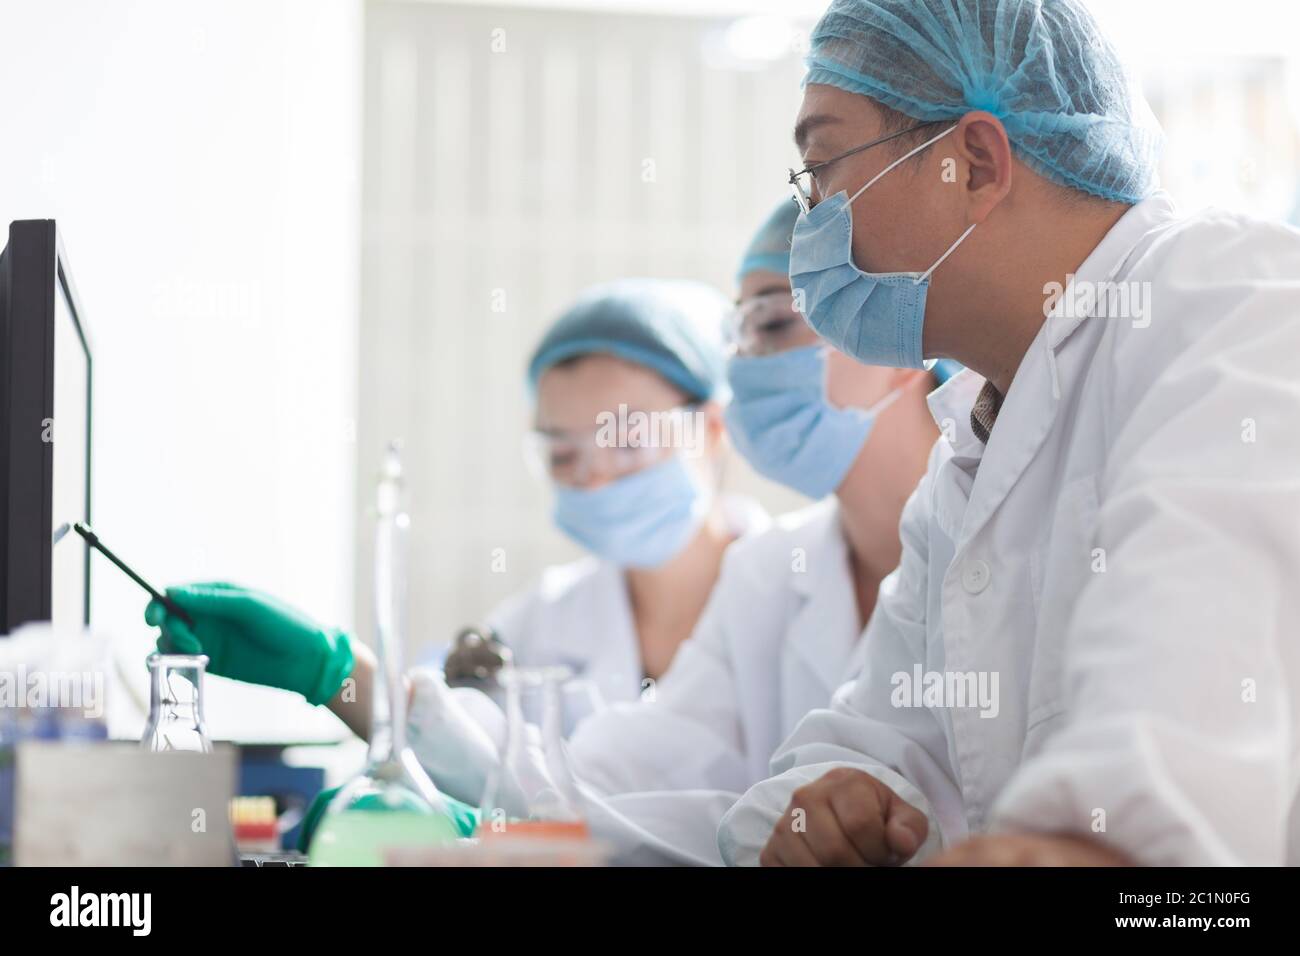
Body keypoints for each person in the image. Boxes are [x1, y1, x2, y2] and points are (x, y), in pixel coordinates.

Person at [718, 0, 1300, 867]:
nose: (811, 223)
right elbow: (877, 738)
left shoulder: (1224, 297)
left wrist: (1093, 840)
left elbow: (1204, 624)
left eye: (823, 166)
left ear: (976, 164)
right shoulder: (965, 468)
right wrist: (829, 805)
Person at [397, 199, 954, 864]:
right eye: (739, 334)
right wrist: (368, 692)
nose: (746, 367)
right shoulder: (769, 574)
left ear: (902, 327)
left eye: (774, 323)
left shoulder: (1007, 540)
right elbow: (621, 791)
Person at [144, 278, 765, 745]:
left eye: (627, 441)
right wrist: (333, 673)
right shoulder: (537, 624)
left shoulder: (796, 593)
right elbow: (470, 754)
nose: (595, 480)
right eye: (563, 454)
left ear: (711, 430)